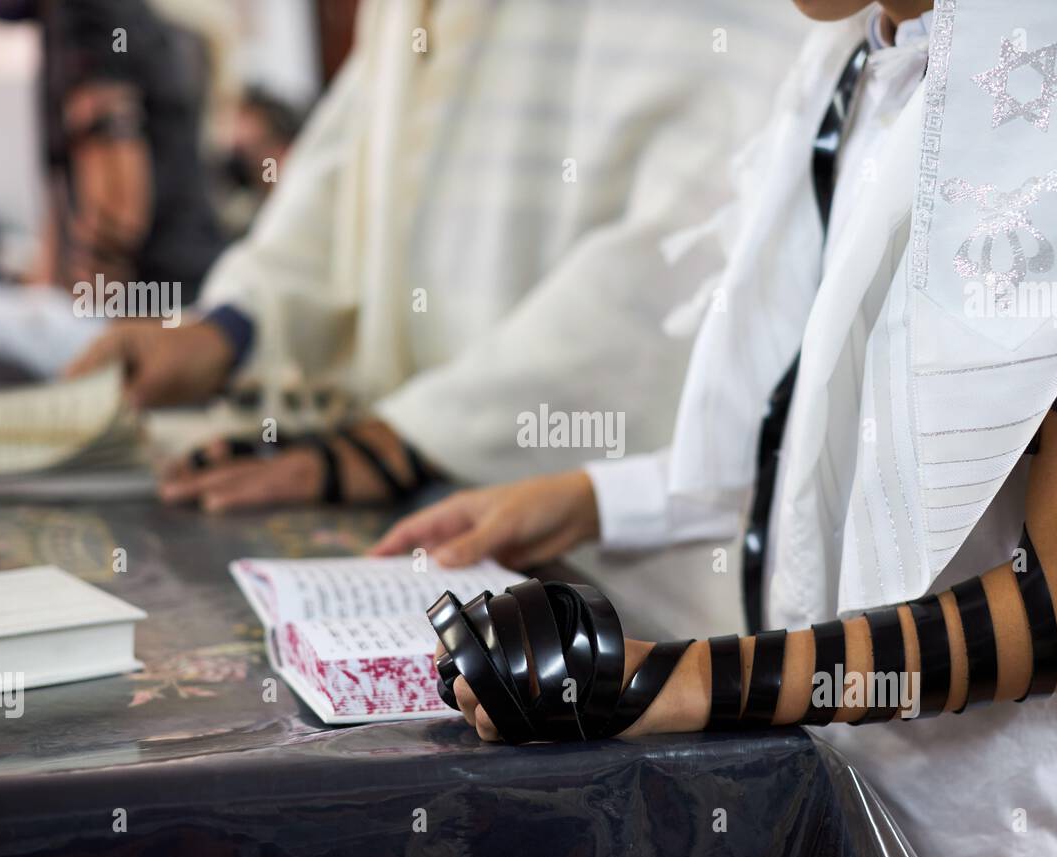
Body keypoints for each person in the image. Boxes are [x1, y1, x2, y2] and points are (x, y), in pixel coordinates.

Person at [372, 0, 1057, 857]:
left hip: (999, 826)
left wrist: (676, 679)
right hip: (842, 779)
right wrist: (588, 500)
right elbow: (838, 447)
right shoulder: (861, 64)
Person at [65, 0, 805, 523]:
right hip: (413, 497)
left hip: (612, 558)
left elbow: (679, 259)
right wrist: (229, 328)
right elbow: (350, 163)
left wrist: (407, 440)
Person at [0, 0, 227, 384]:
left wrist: (108, 341)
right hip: (161, 303)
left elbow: (117, 201)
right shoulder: (76, 20)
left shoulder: (87, 12)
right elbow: (69, 194)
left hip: (148, 314)